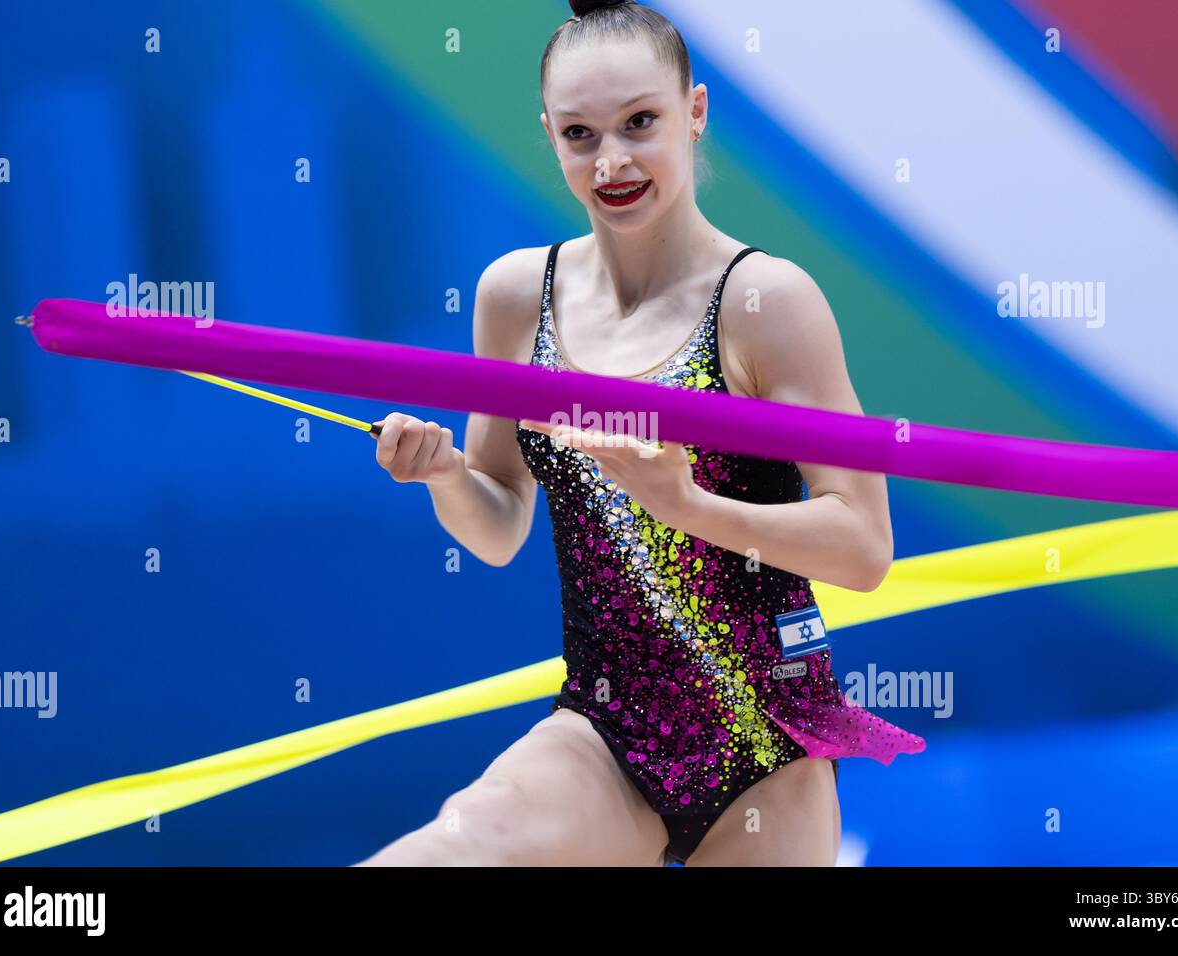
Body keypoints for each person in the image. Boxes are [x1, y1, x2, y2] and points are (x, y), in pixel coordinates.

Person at [357, 0, 924, 868]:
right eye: (580, 134)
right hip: (603, 731)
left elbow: (862, 546)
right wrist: (442, 476)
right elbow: (501, 522)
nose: (611, 161)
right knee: (451, 850)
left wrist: (688, 504)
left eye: (640, 123)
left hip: (765, 742)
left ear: (694, 111)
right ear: (548, 133)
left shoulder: (765, 302)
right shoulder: (516, 295)